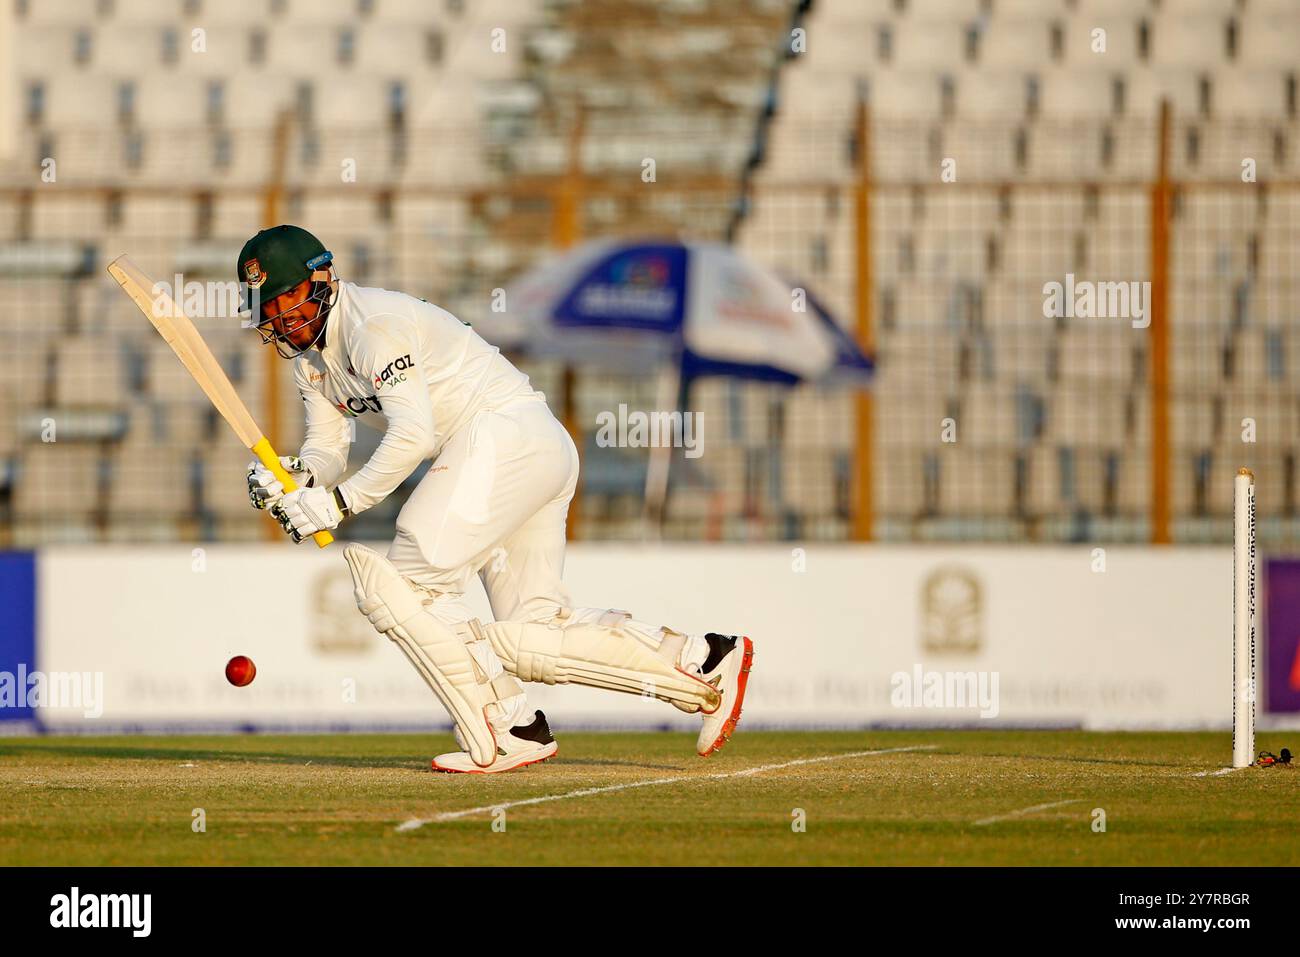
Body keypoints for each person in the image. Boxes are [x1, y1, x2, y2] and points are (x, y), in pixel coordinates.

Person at [239, 225, 753, 772]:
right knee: (532, 631)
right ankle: (704, 659)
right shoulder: (310, 362)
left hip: (502, 437)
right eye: (268, 304)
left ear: (323, 280)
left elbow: (412, 435)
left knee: (407, 583)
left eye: (289, 295)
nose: (281, 314)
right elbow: (327, 446)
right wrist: (299, 478)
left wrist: (339, 504)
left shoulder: (373, 329)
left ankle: (499, 724)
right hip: (530, 447)